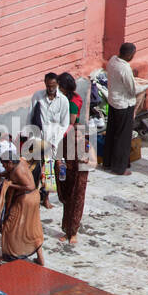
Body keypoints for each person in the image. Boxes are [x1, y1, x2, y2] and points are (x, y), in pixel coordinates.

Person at [0, 143, 46, 265]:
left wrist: (9, 185)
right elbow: (10, 173)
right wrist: (1, 174)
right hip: (33, 199)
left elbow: (30, 186)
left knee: (8, 225)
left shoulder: (18, 171)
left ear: (10, 162)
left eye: (4, 164)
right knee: (31, 228)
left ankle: (10, 254)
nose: (3, 166)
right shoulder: (20, 161)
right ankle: (40, 258)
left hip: (26, 200)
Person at [55, 73, 91, 244]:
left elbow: (91, 160)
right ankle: (66, 228)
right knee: (66, 194)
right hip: (66, 162)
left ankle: (73, 231)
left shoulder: (79, 136)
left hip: (79, 170)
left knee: (77, 198)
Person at [104, 43, 148, 175]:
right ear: (129, 55)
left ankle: (108, 162)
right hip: (124, 104)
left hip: (113, 101)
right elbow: (133, 89)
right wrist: (147, 85)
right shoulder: (124, 68)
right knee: (122, 137)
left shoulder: (112, 60)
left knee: (111, 132)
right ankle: (119, 168)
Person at [29, 73, 70, 201]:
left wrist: (55, 141)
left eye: (53, 86)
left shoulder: (63, 101)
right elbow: (30, 117)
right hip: (38, 137)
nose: (50, 89)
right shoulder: (37, 96)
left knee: (49, 169)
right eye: (48, 86)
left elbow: (64, 124)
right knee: (35, 168)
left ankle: (45, 197)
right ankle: (33, 195)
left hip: (53, 140)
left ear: (57, 84)